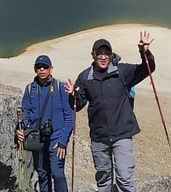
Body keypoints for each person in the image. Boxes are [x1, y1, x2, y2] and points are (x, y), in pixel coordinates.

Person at [65, 32, 155, 192]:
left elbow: (147, 68)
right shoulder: (85, 78)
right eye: (100, 53)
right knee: (103, 180)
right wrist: (73, 95)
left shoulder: (122, 71)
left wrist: (145, 52)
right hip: (99, 137)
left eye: (107, 53)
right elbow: (78, 105)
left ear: (111, 55)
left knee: (125, 178)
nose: (103, 57)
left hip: (122, 134)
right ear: (93, 55)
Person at [17, 55, 75, 192]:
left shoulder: (60, 88)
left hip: (56, 139)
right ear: (35, 69)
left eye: (45, 67)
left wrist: (63, 141)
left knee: (57, 173)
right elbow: (26, 112)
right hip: (38, 138)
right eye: (38, 67)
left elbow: (69, 116)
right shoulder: (30, 89)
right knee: (42, 174)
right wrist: (21, 129)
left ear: (51, 68)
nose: (42, 69)